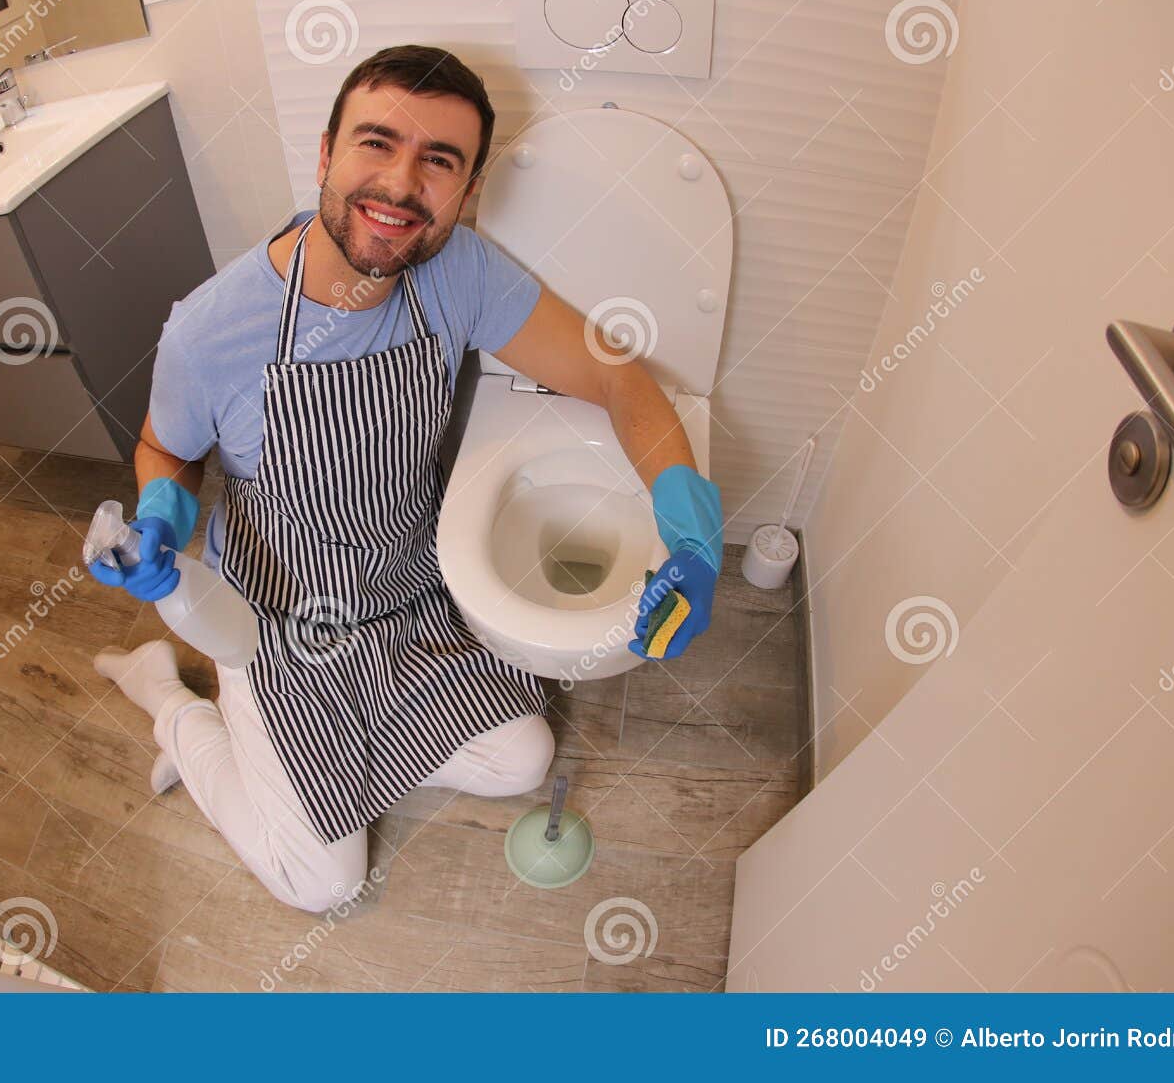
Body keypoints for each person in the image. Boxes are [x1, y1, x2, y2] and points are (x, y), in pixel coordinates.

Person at [89, 45, 723, 913]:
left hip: (403, 589)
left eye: (438, 161)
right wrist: (163, 509)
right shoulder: (211, 329)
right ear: (325, 155)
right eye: (376, 143)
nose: (399, 183)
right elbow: (165, 448)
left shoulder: (459, 271)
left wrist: (693, 532)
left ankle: (301, 763)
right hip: (275, 614)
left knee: (524, 759)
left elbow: (616, 376)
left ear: (468, 190)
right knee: (323, 884)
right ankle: (168, 699)